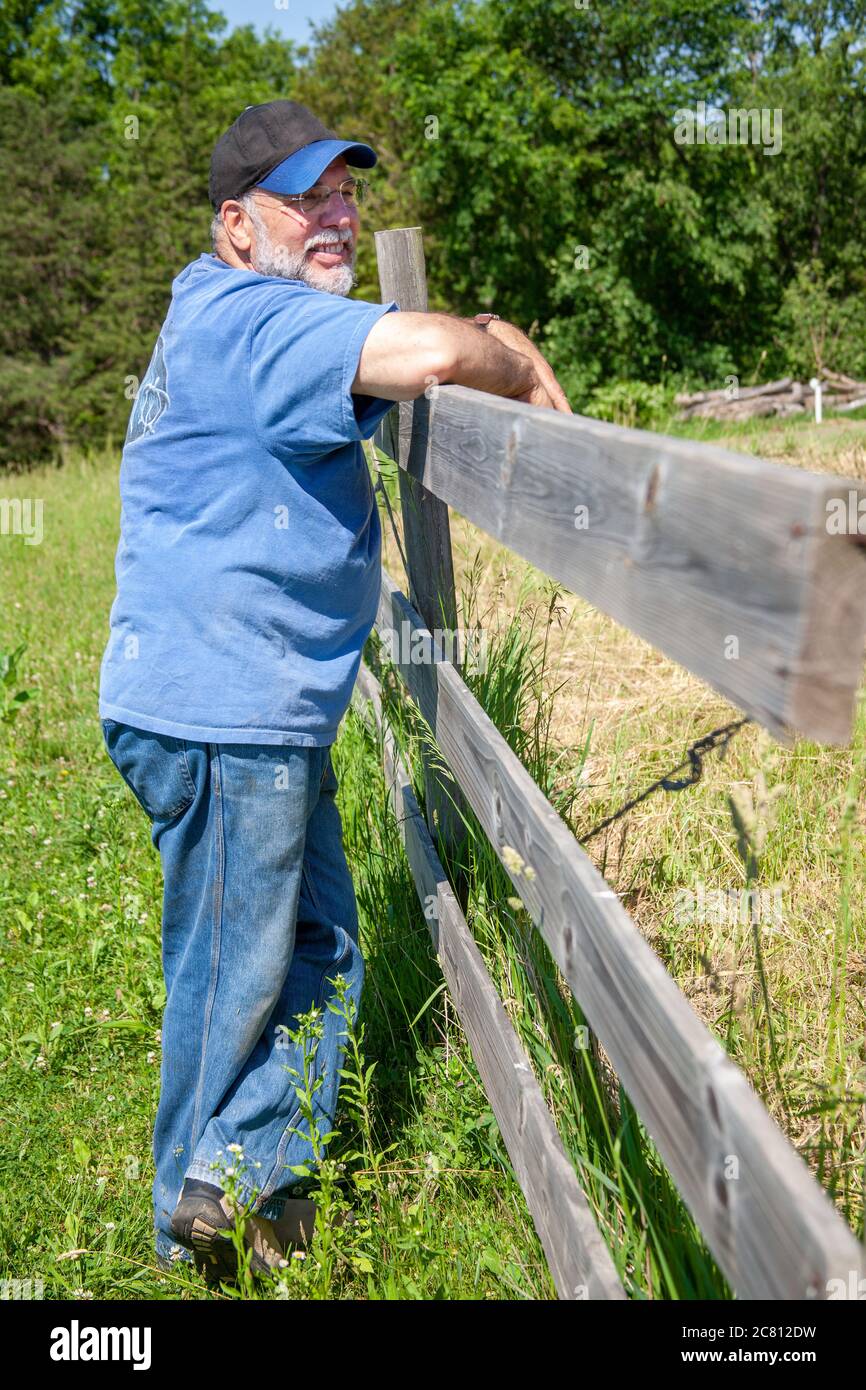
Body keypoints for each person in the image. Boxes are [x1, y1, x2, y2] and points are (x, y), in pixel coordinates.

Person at [98, 99, 571, 1284]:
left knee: (314, 949)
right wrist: (508, 353)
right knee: (237, 975)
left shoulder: (226, 311)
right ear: (234, 225)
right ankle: (189, 1230)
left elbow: (394, 346)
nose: (338, 215)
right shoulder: (256, 319)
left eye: (346, 193)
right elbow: (422, 354)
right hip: (225, 712)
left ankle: (256, 1199)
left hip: (237, 702)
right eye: (306, 198)